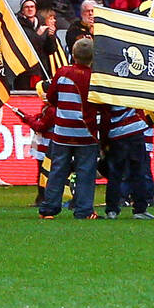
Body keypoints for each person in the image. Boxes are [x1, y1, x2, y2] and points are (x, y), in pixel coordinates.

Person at [38, 37, 102, 220]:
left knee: (57, 170)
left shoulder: (63, 72)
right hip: (87, 133)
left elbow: (51, 98)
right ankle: (84, 210)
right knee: (85, 172)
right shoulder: (95, 77)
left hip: (62, 132)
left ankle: (48, 209)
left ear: (73, 54)